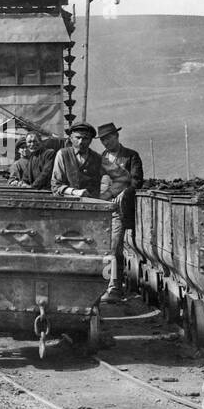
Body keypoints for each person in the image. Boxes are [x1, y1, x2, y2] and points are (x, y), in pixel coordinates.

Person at [97, 122, 144, 303]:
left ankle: (114, 286)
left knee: (114, 247)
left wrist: (125, 192)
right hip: (103, 209)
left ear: (117, 137)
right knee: (104, 248)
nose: (106, 142)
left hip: (120, 209)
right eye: (103, 140)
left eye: (109, 138)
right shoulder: (101, 159)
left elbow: (137, 181)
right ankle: (106, 283)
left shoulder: (131, 156)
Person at [51, 122, 104, 198]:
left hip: (92, 205)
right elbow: (56, 186)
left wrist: (107, 194)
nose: (81, 142)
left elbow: (121, 176)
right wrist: (74, 192)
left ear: (90, 140)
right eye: (78, 138)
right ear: (71, 138)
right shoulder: (62, 154)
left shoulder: (98, 158)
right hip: (68, 204)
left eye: (85, 138)